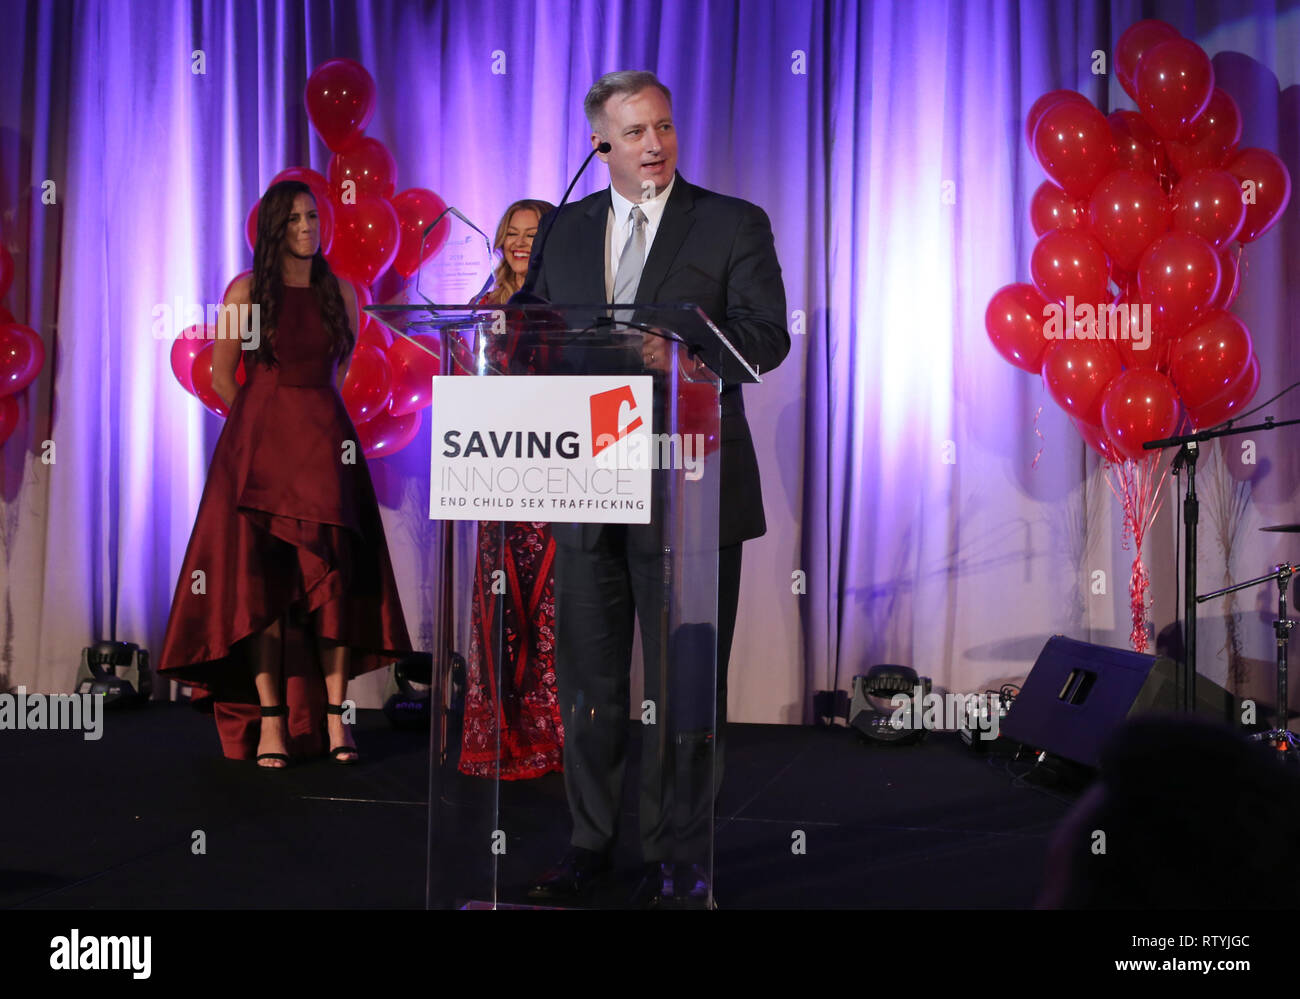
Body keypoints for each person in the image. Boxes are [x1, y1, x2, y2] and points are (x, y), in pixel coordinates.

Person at [519, 71, 790, 905]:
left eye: (665, 127)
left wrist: (683, 353)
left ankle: (679, 851)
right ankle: (589, 842)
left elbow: (765, 338)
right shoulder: (565, 230)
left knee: (683, 688)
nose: (655, 145)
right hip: (586, 481)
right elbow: (533, 331)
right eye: (635, 132)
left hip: (690, 479)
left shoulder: (731, 222)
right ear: (601, 144)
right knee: (591, 682)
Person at [158, 180, 412, 768]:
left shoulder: (342, 292)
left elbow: (340, 370)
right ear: (275, 227)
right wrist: (261, 421)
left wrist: (312, 418)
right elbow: (225, 376)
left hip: (324, 448)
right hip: (259, 451)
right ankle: (271, 721)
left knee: (334, 581)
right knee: (262, 585)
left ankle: (335, 717)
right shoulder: (248, 291)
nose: (308, 226)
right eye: (295, 218)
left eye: (313, 216)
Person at [457, 199, 565, 780]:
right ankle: (498, 737)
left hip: (561, 481)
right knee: (499, 611)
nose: (520, 244)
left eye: (533, 234)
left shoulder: (569, 306)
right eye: (512, 234)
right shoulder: (482, 310)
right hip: (497, 481)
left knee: (552, 610)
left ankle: (555, 735)